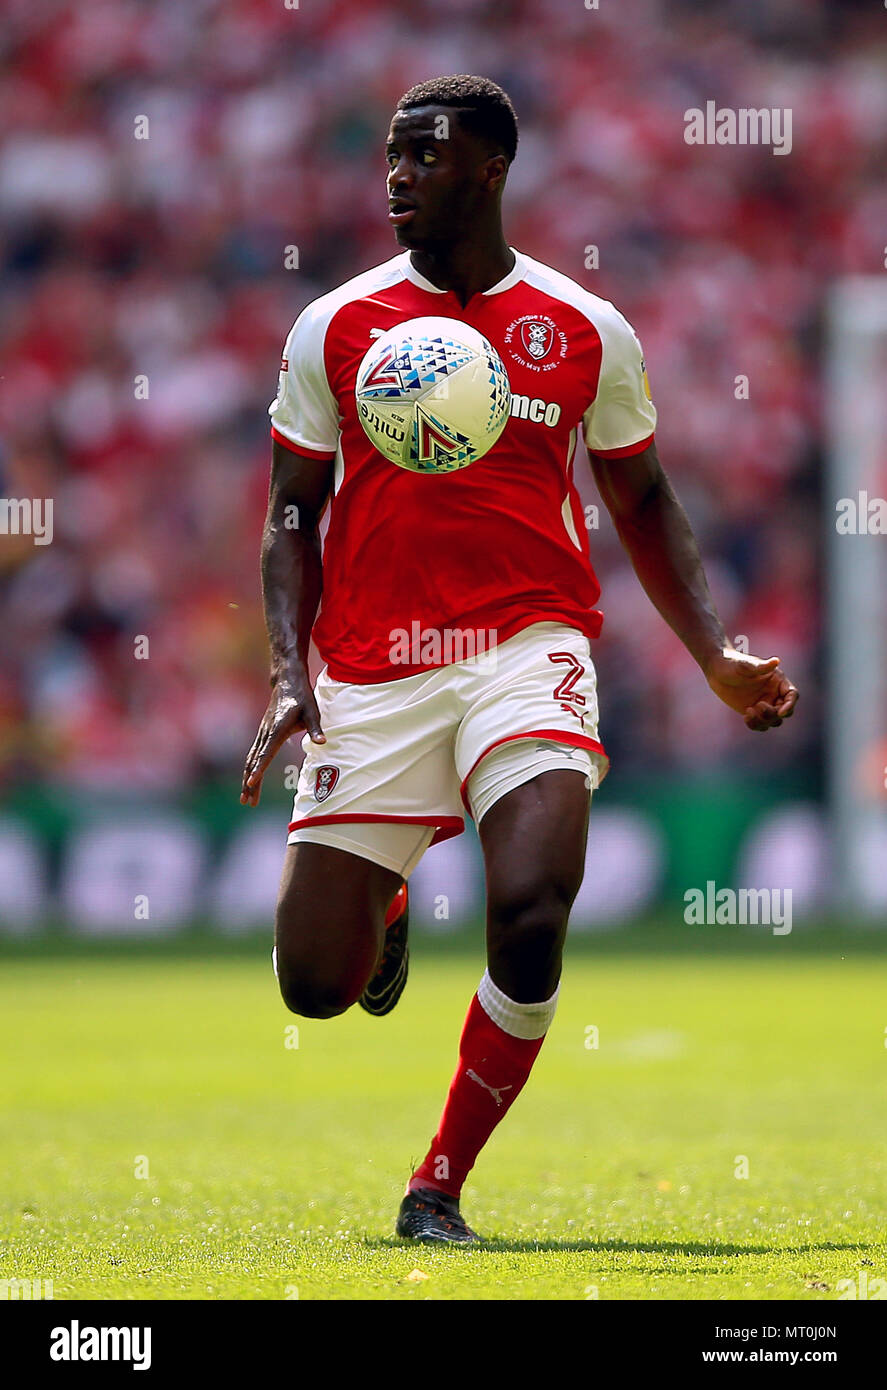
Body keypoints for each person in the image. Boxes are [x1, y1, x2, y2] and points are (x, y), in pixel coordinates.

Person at [240, 74, 798, 1244]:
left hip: (526, 645)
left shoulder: (585, 329)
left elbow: (641, 498)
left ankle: (436, 1184)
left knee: (535, 904)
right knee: (311, 986)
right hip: (371, 670)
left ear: (489, 167)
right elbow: (291, 513)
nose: (394, 174)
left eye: (421, 154)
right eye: (388, 155)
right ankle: (385, 891)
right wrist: (291, 678)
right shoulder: (333, 327)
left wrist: (712, 654)